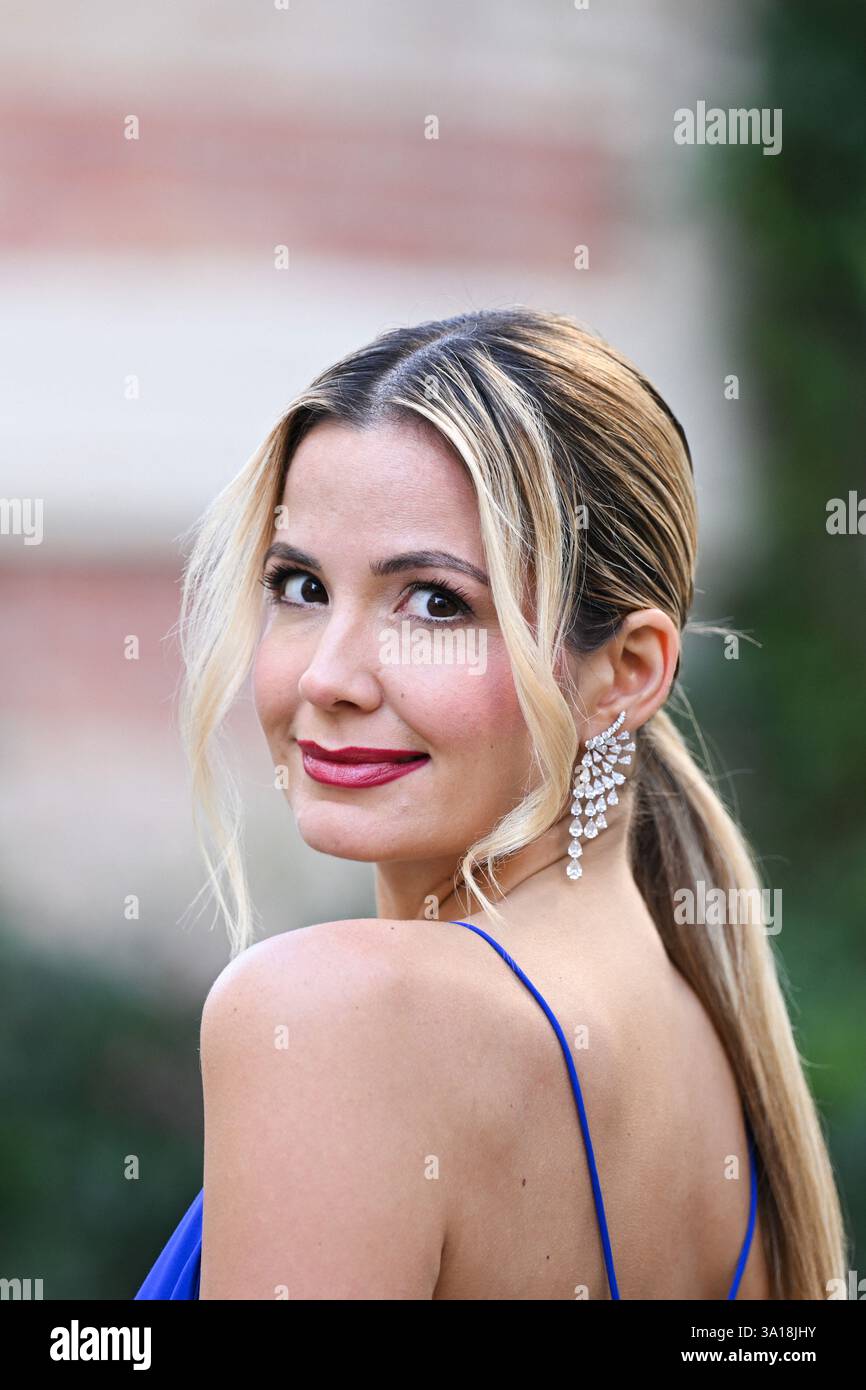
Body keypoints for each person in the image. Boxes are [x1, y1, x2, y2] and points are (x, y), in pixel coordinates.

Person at [134, 306, 847, 1300]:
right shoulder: (709, 1055)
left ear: (624, 673)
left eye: (433, 603)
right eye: (298, 585)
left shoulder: (336, 1014)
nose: (326, 677)